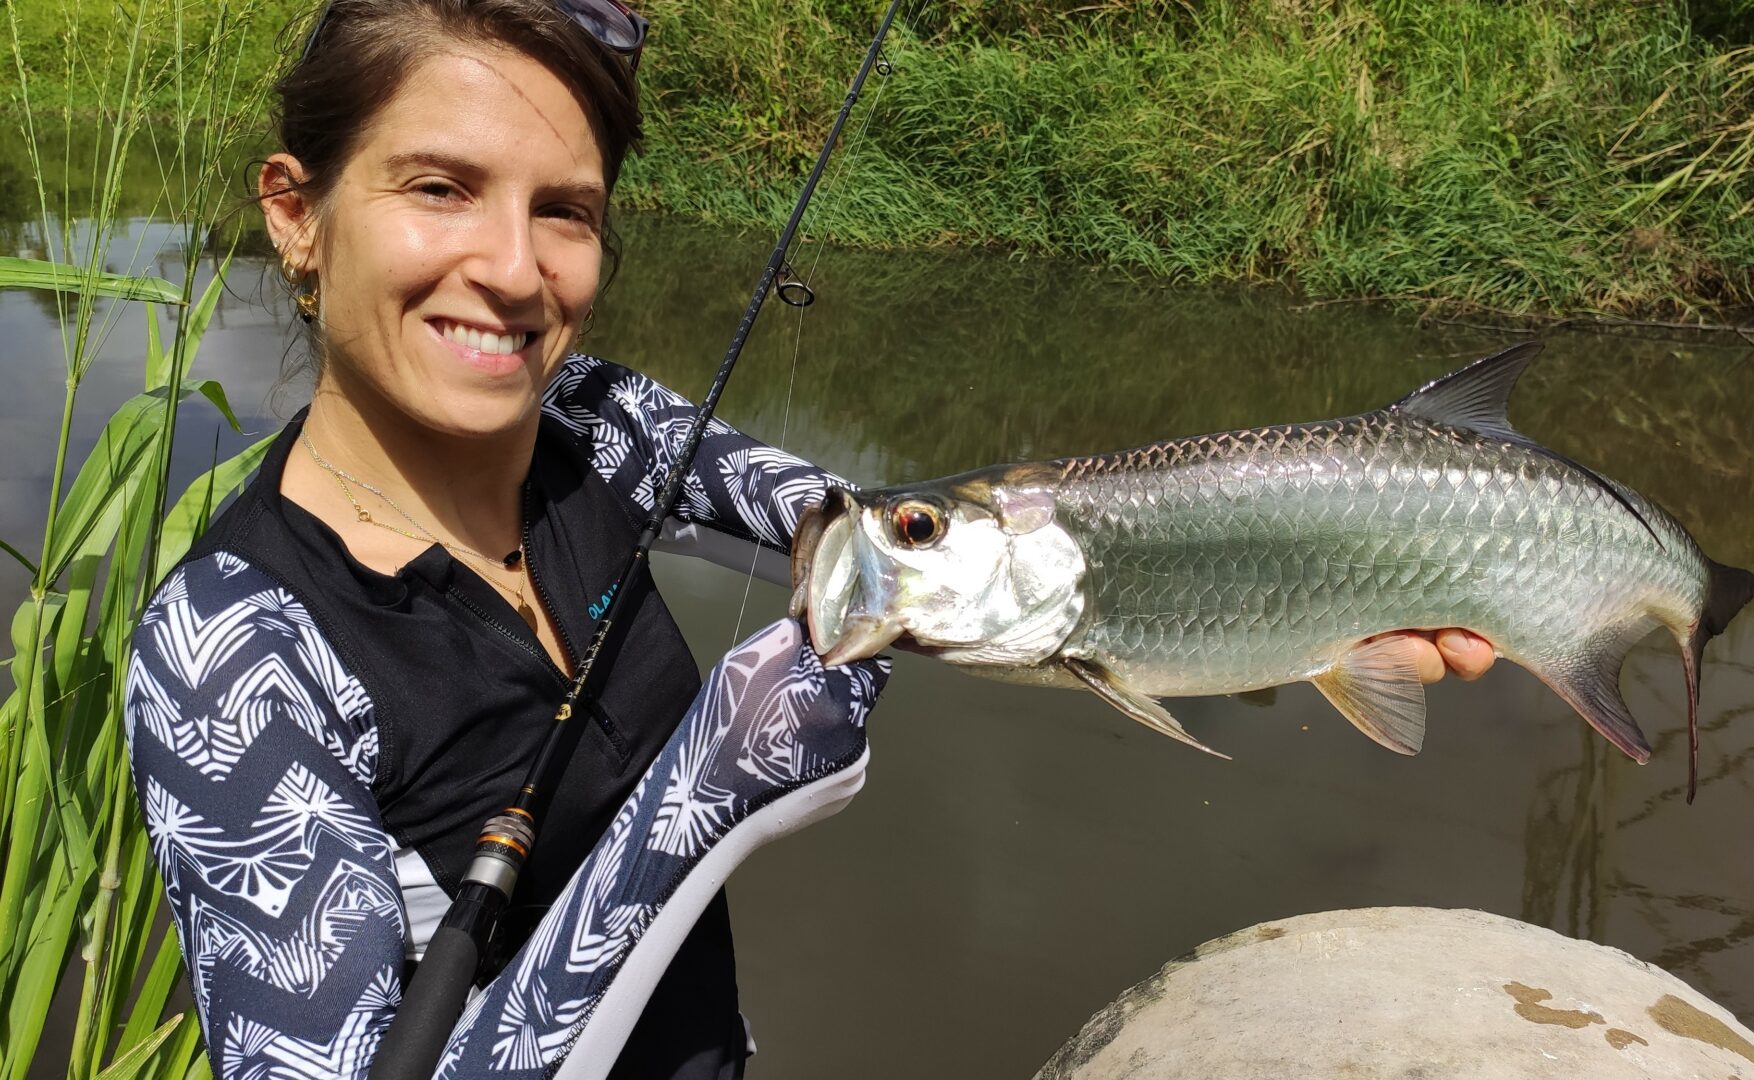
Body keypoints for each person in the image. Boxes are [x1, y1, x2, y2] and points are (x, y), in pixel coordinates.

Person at [123, 1, 1496, 1077]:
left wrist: (1268, 591)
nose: (513, 267)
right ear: (297, 214)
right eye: (439, 188)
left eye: (567, 211)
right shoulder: (232, 656)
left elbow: (843, 524)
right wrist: (704, 791)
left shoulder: (590, 424)